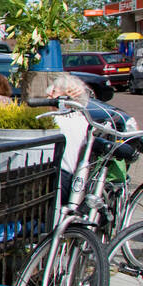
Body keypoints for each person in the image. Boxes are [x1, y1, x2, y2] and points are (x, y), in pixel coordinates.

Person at [44, 73, 91, 202]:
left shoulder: (55, 120)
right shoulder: (84, 121)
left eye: (53, 92)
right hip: (74, 183)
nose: (48, 97)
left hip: (58, 180)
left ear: (66, 97)